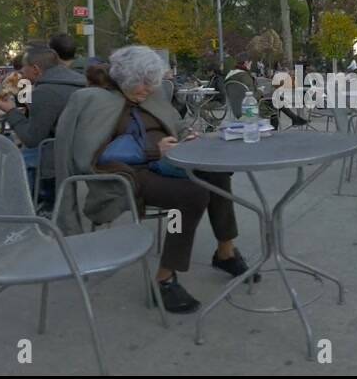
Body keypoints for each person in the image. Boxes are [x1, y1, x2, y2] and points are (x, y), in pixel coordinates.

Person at [55, 46, 253, 314]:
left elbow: (175, 124)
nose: (148, 89)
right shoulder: (91, 100)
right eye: (142, 83)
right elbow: (82, 155)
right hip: (124, 175)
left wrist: (187, 136)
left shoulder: (153, 95)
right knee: (190, 195)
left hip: (167, 164)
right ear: (124, 78)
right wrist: (151, 150)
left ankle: (225, 252)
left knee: (214, 171)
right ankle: (164, 279)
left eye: (152, 83)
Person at [0, 45, 85, 208]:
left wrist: (10, 110)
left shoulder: (45, 91)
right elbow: (37, 111)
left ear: (35, 68)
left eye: (24, 66)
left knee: (14, 158)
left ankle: (21, 208)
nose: (22, 70)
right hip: (80, 148)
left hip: (55, 155)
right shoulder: (78, 81)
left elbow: (32, 138)